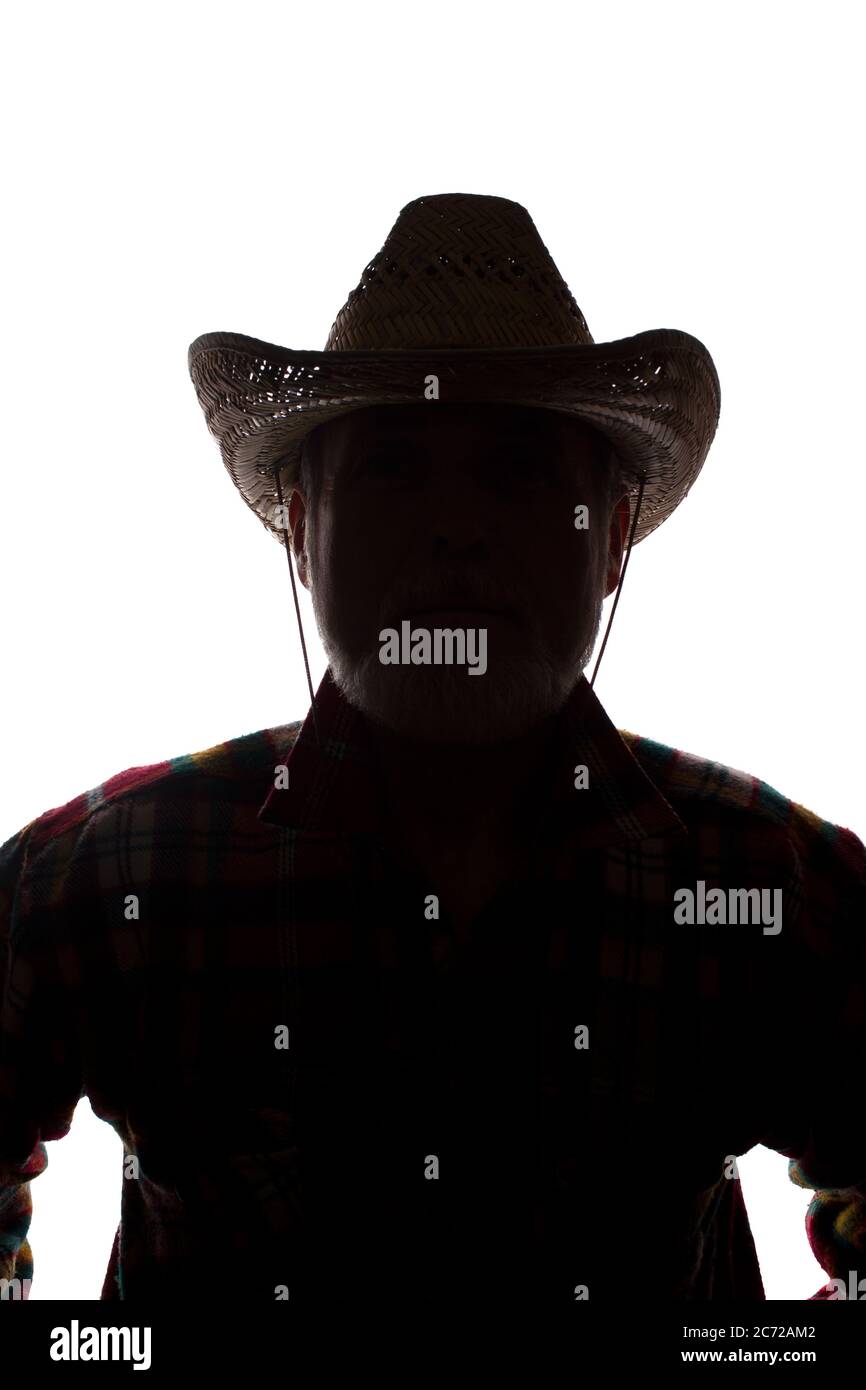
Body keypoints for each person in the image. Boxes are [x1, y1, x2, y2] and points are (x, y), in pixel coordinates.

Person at [1, 193, 863, 1307]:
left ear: (606, 539)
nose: (455, 525)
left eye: (515, 468)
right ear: (300, 532)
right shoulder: (110, 878)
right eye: (394, 467)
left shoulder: (772, 887)